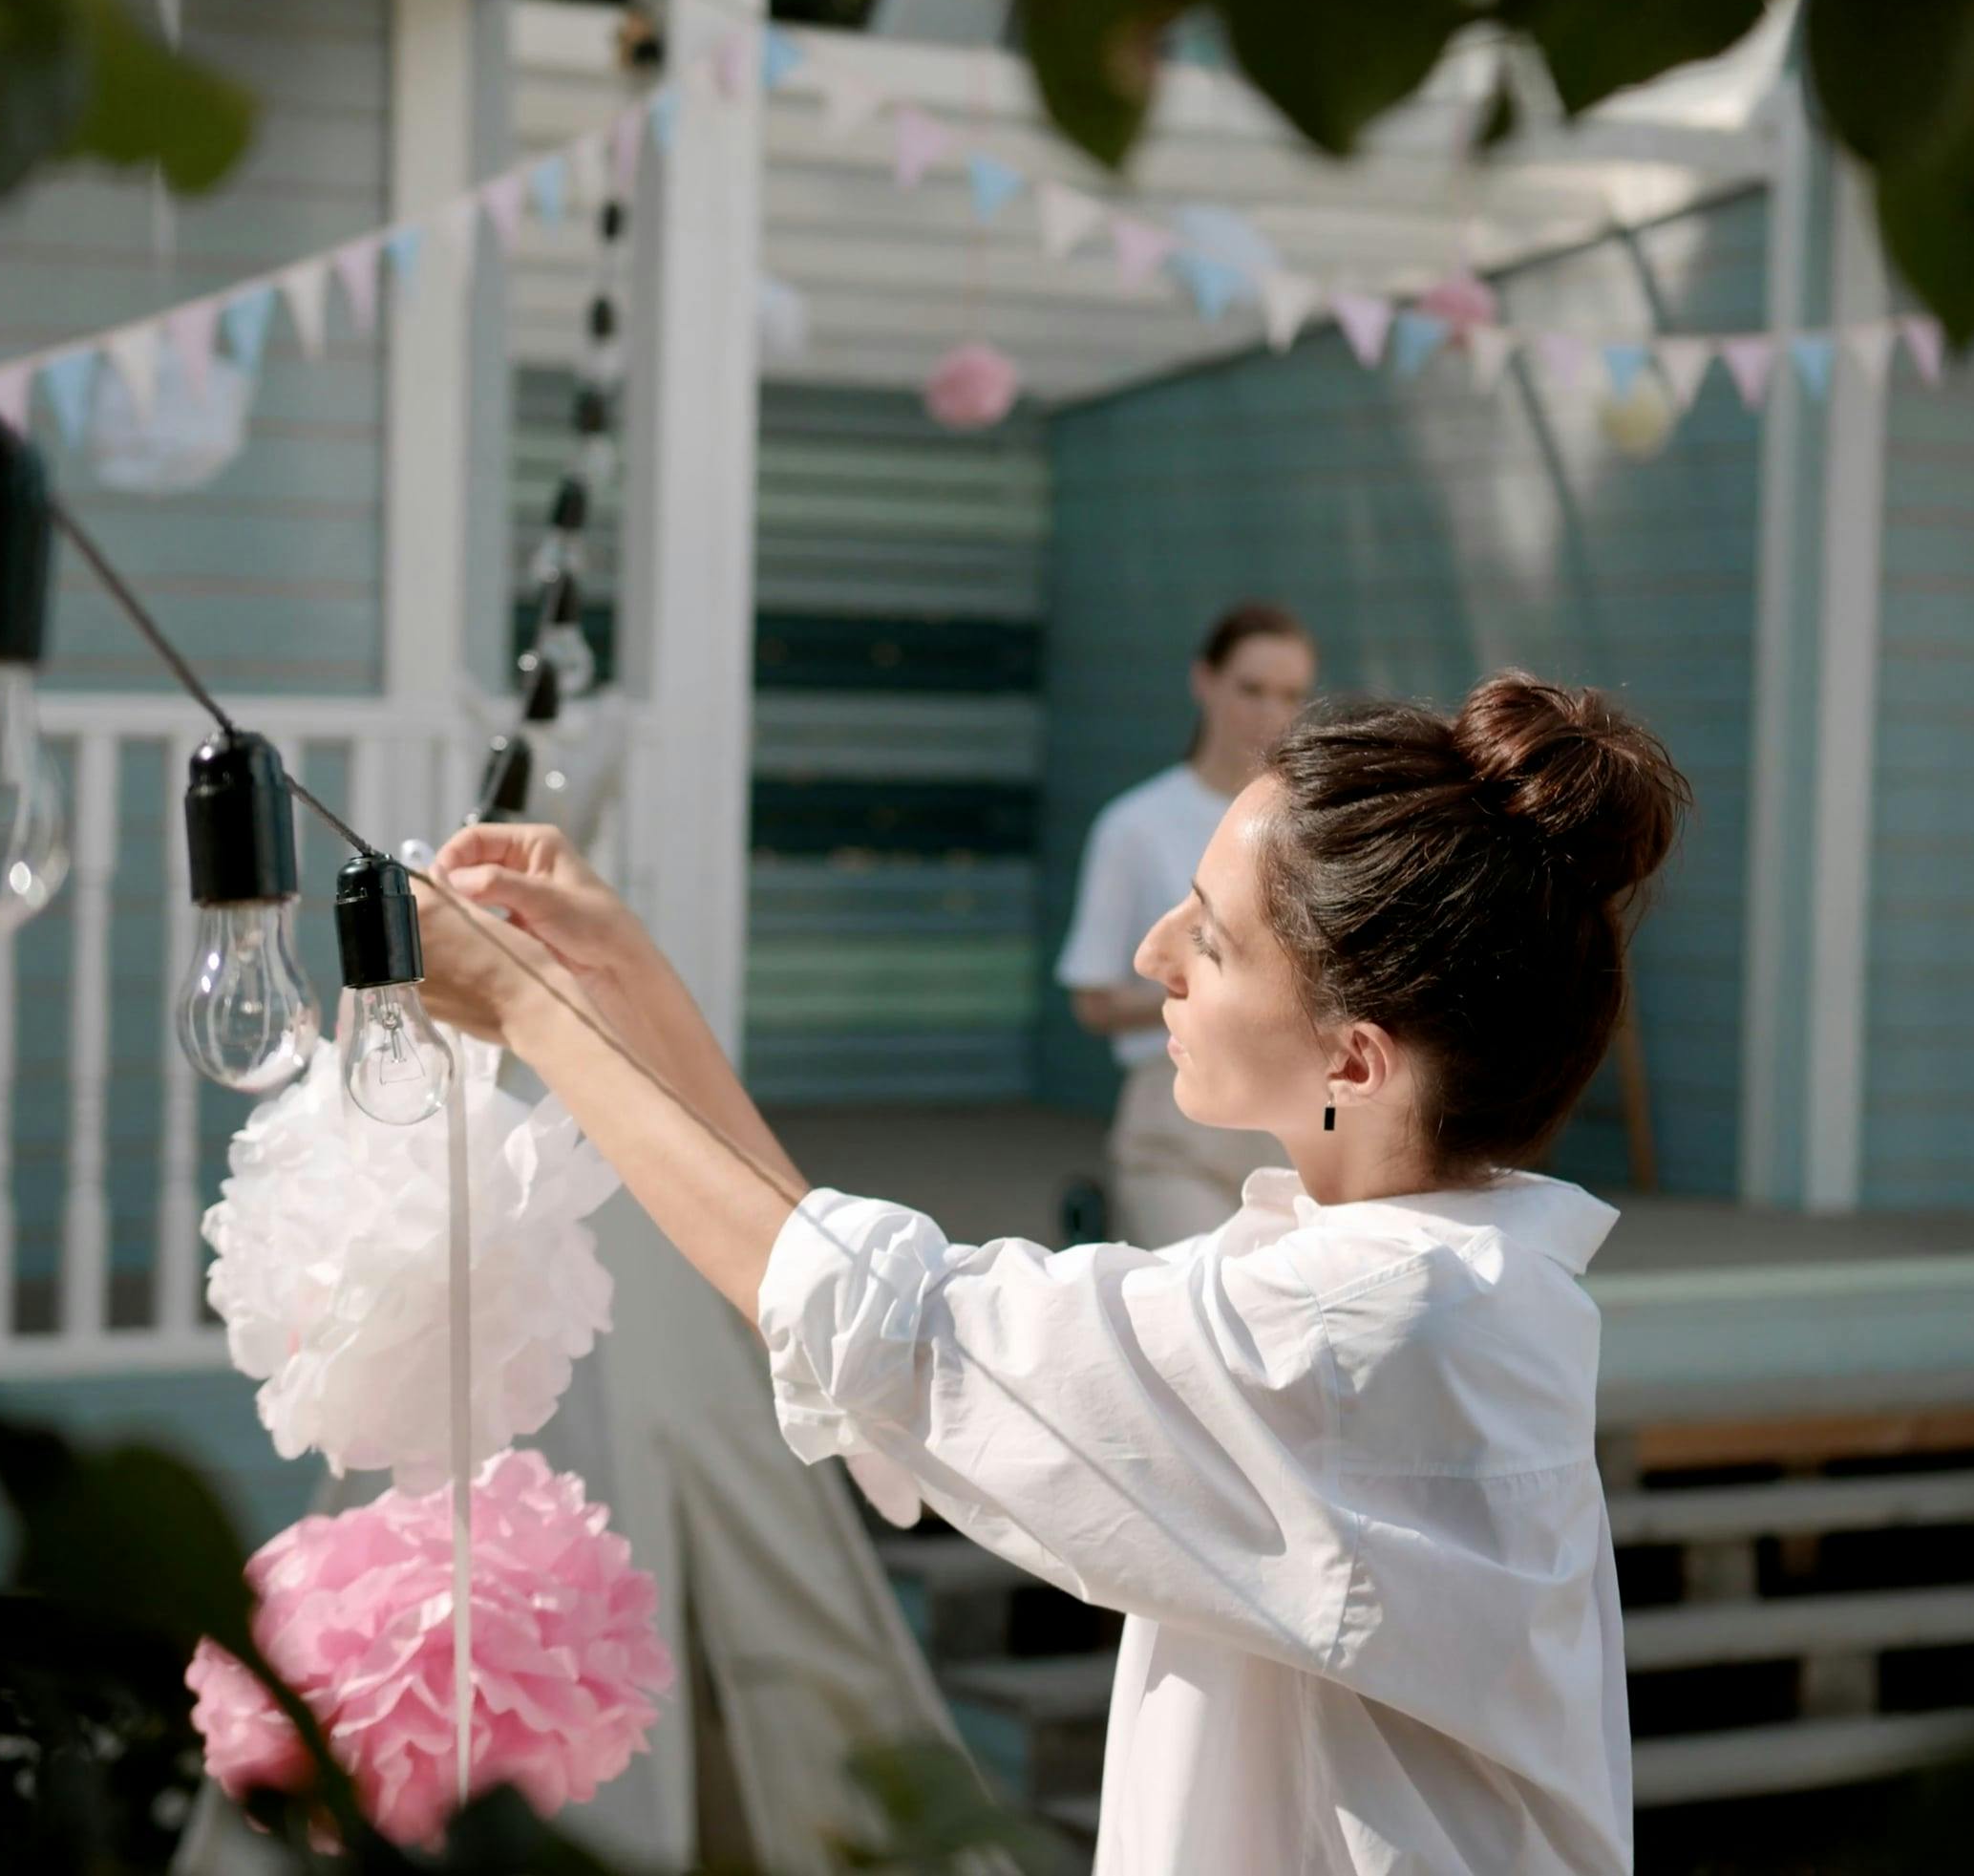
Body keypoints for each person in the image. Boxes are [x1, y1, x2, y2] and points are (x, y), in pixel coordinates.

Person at [413, 672, 1687, 1876]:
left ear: (1355, 1063)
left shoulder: (1363, 1327)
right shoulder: (1407, 1286)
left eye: (1214, 938)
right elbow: (849, 1270)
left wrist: (538, 1016)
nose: (1152, 954)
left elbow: (876, 1319)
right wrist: (613, 972)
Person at [1058, 601, 1320, 1246]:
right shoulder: (1134, 824)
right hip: (1176, 1116)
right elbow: (1093, 999)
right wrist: (1218, 993)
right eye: (1250, 688)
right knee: (1200, 1324)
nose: (1269, 712)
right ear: (1205, 681)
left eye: (1290, 694)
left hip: (1299, 1121)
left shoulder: (1316, 828)